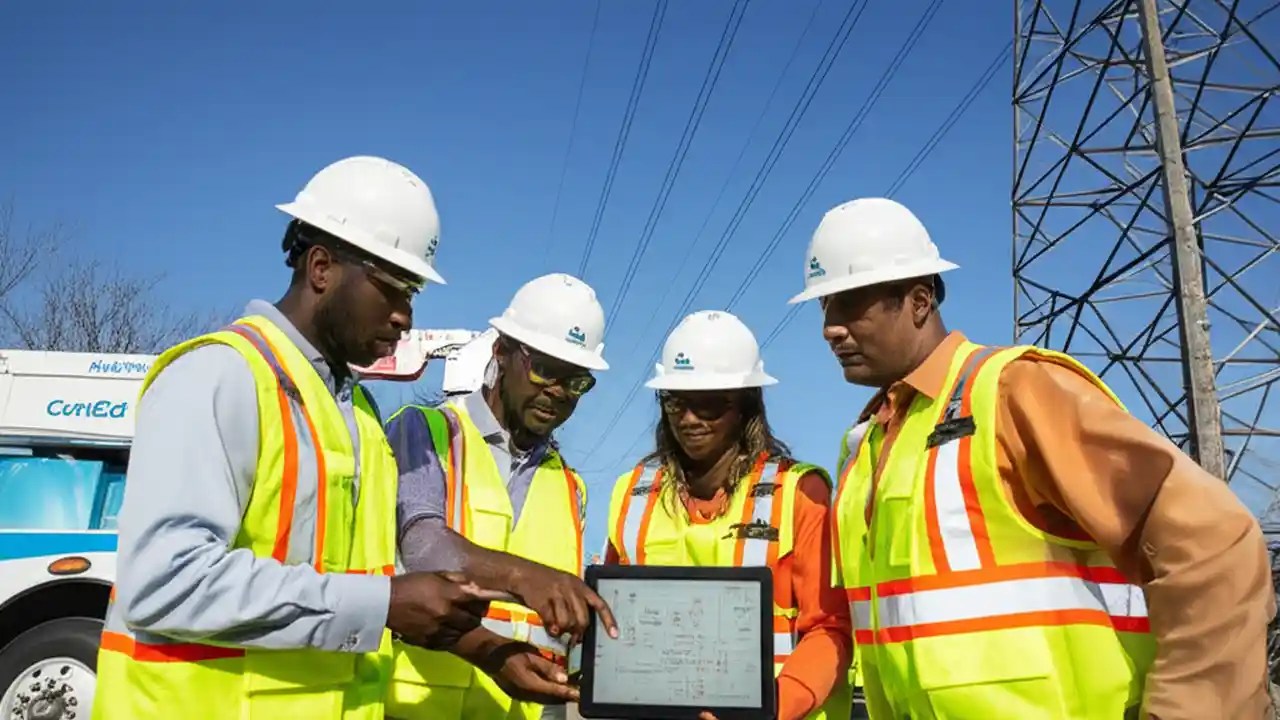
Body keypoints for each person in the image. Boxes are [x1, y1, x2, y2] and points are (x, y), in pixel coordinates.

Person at [90, 156, 551, 720]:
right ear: (322, 267)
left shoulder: (358, 414)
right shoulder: (221, 375)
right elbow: (165, 582)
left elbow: (379, 589)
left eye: (413, 295)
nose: (405, 315)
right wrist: (382, 604)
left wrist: (491, 651)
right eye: (392, 287)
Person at [789, 196, 1276, 720]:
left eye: (850, 302)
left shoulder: (1014, 393)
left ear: (919, 300)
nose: (830, 328)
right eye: (824, 307)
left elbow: (1214, 544)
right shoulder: (866, 445)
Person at [383, 272, 618, 720]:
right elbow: (421, 544)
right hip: (413, 707)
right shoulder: (427, 432)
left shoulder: (570, 486)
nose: (557, 392)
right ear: (501, 353)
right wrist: (525, 577)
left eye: (576, 382)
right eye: (545, 369)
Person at [602, 310, 854, 720]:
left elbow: (830, 628)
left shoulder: (800, 493)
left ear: (746, 405)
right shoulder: (632, 495)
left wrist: (772, 708)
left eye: (708, 404)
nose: (688, 419)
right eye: (675, 402)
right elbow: (613, 628)